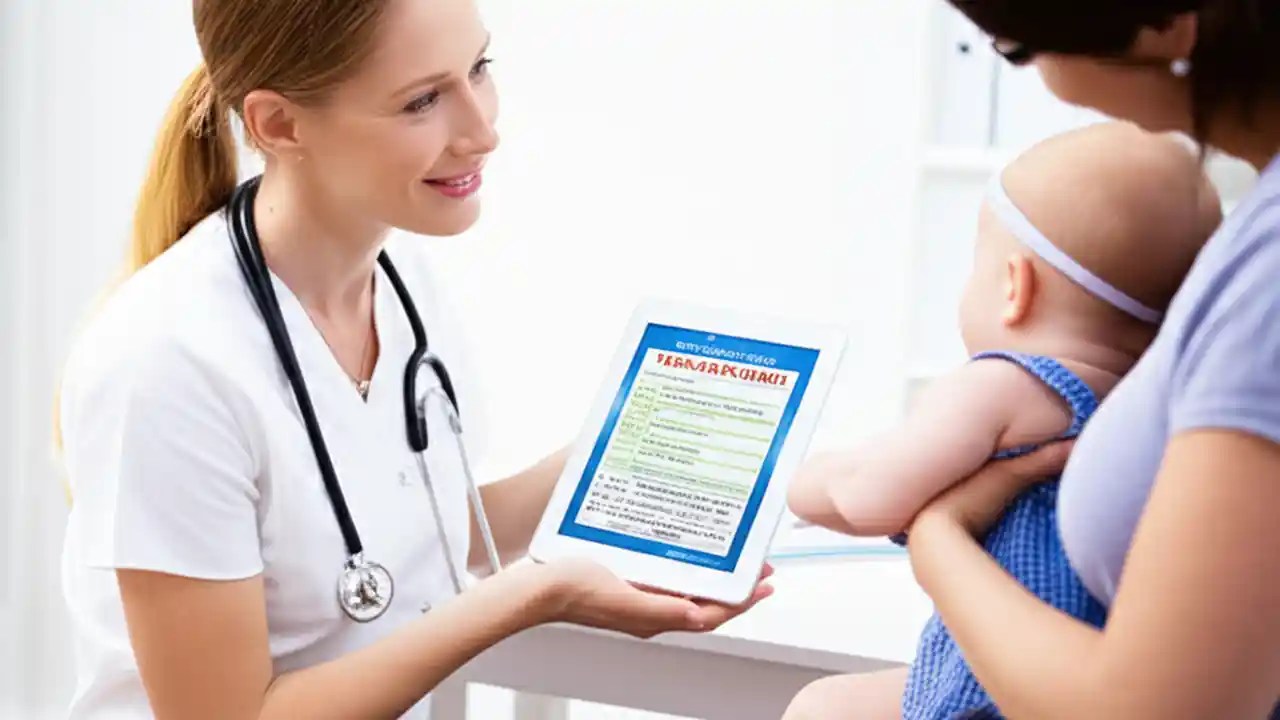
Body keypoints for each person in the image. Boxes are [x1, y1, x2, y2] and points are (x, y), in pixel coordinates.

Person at [54, 1, 771, 718]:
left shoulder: (399, 283)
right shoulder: (165, 366)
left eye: (479, 69)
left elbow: (418, 525)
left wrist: (630, 453)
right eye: (423, 101)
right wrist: (533, 595)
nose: (484, 131)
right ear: (279, 124)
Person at [786, 1, 1280, 717]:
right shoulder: (1162, 350)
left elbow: (868, 493)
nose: (1043, 79)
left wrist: (924, 532)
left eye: (1016, 46)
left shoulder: (1002, 383)